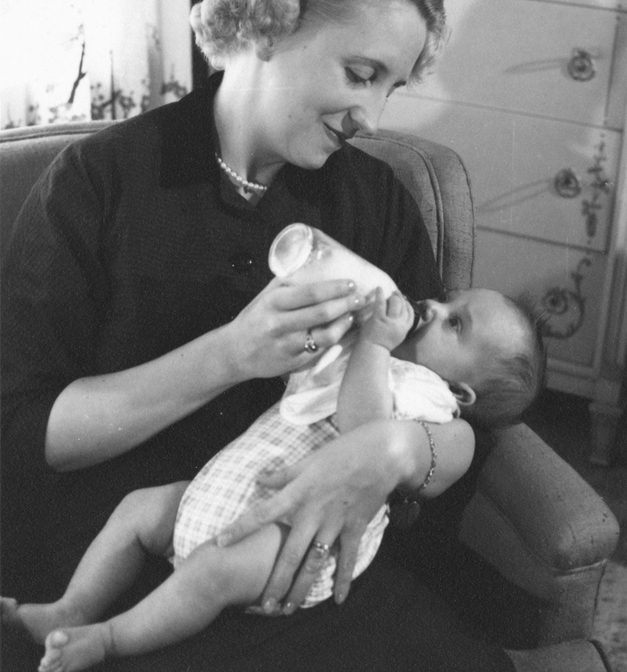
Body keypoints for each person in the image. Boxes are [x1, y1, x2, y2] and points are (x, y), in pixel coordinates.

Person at [1, 0, 521, 672]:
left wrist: (397, 447)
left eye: (392, 87)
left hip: (317, 558)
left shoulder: (373, 203)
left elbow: (451, 403)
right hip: (127, 558)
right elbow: (28, 433)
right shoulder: (99, 184)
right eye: (359, 73)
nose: (371, 117)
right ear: (268, 26)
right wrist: (230, 355)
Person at [3, 280, 543, 672]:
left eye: (455, 323)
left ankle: (108, 639)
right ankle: (70, 607)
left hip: (297, 537)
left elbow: (366, 438)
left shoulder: (428, 397)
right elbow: (299, 376)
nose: (436, 306)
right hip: (233, 491)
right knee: (140, 508)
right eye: (451, 298)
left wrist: (376, 346)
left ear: (463, 392)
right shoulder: (369, 353)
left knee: (210, 572)